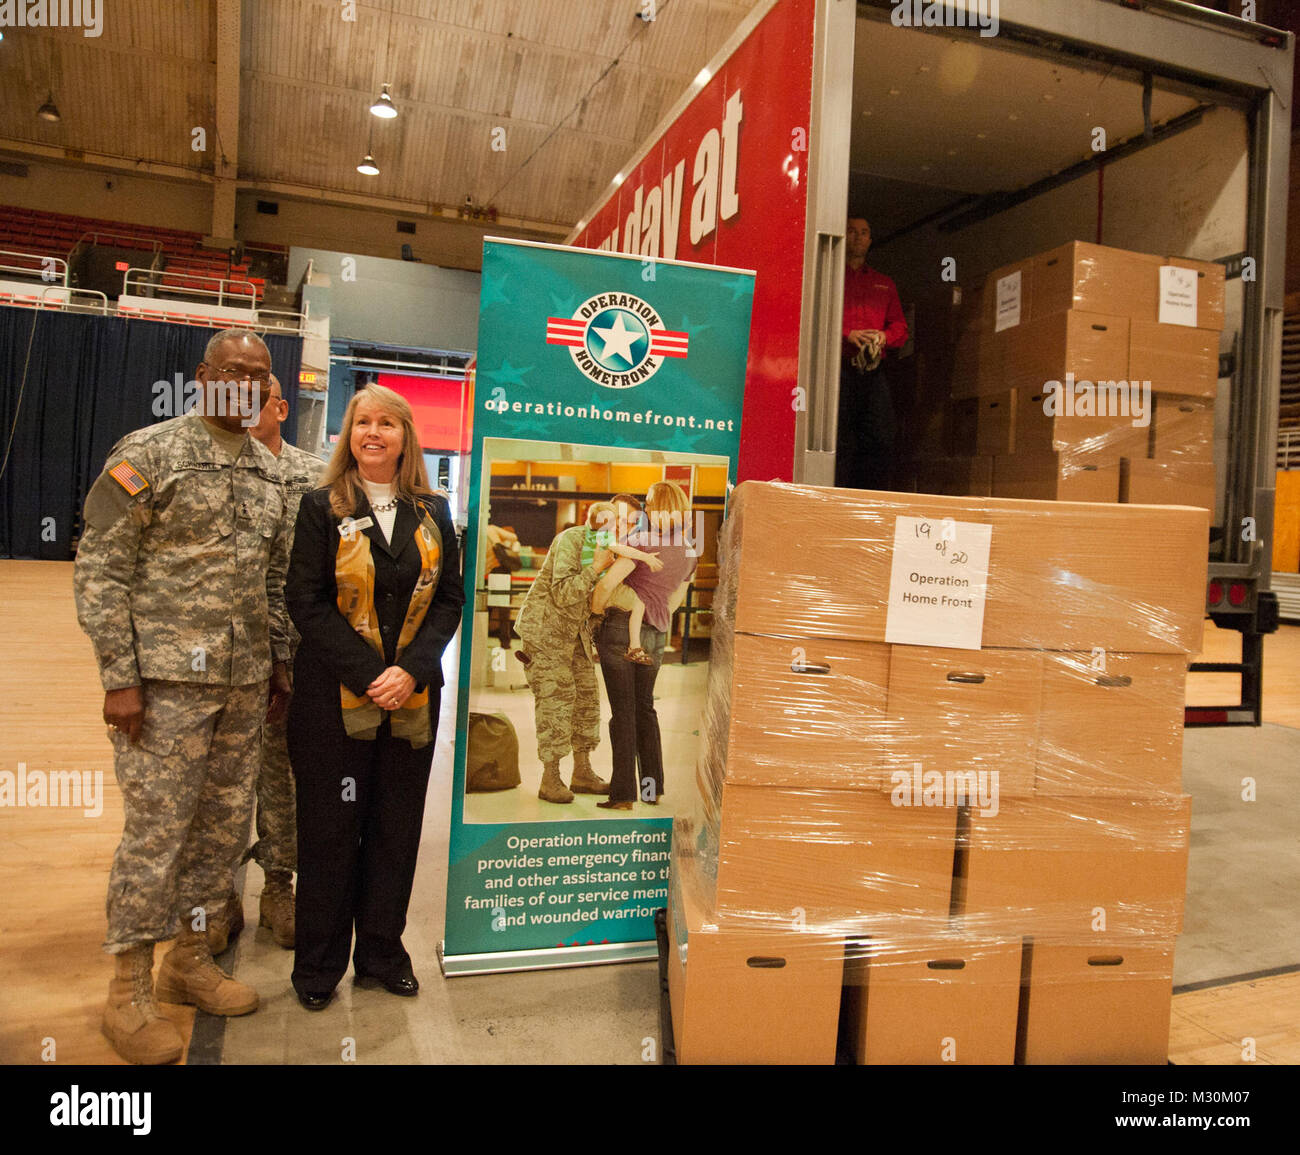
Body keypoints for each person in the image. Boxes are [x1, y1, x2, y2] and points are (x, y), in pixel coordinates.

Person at [73, 327, 292, 1065]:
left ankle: (190, 957)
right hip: (163, 688)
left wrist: (279, 666)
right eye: (232, 368)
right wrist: (120, 676)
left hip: (242, 686)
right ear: (203, 376)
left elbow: (270, 580)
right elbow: (101, 564)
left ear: (269, 386)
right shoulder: (148, 452)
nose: (247, 381)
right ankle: (128, 988)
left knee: (220, 835)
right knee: (156, 835)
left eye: (258, 373)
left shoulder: (268, 473)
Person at [285, 383, 463, 1009]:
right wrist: (370, 675)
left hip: (412, 702)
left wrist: (412, 669)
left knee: (396, 828)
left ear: (405, 436)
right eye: (363, 422)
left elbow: (449, 600)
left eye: (388, 423)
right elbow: (304, 602)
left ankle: (383, 954)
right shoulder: (320, 507)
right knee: (331, 833)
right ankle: (318, 969)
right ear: (349, 434)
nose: (374, 432)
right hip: (333, 702)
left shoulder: (434, 511)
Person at [220, 372, 322, 951]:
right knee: (224, 777)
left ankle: (278, 885)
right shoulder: (210, 465)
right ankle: (214, 896)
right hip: (224, 653)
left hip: (298, 653)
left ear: (281, 408)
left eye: (255, 402)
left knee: (284, 773)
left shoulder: (314, 476)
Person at [591, 482, 697, 811]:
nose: (647, 510)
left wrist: (596, 614)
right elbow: (676, 599)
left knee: (623, 714)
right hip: (655, 632)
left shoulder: (641, 542)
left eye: (650, 504)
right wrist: (655, 614)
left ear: (657, 507)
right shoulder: (689, 550)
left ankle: (622, 794)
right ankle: (652, 788)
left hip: (621, 629)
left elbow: (608, 583)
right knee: (645, 710)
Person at [513, 501, 624, 805]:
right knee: (556, 703)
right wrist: (596, 568)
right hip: (546, 631)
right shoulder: (572, 540)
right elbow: (562, 592)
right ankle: (550, 778)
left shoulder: (614, 550)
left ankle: (583, 771)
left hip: (575, 634)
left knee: (587, 698)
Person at [520, 500, 663, 668]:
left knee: (588, 693)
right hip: (547, 635)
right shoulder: (576, 537)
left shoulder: (604, 539)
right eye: (618, 518)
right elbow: (563, 594)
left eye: (629, 521)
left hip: (577, 637)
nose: (620, 524)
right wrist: (598, 568)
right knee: (640, 601)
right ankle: (634, 646)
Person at [837, 215, 908, 490]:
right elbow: (814, 317)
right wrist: (848, 334)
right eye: (852, 231)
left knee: (880, 434)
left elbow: (901, 327)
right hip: (839, 368)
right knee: (840, 436)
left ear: (870, 239)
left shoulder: (884, 283)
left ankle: (869, 496)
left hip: (873, 369)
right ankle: (837, 493)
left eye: (864, 232)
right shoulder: (831, 277)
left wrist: (882, 337)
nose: (858, 237)